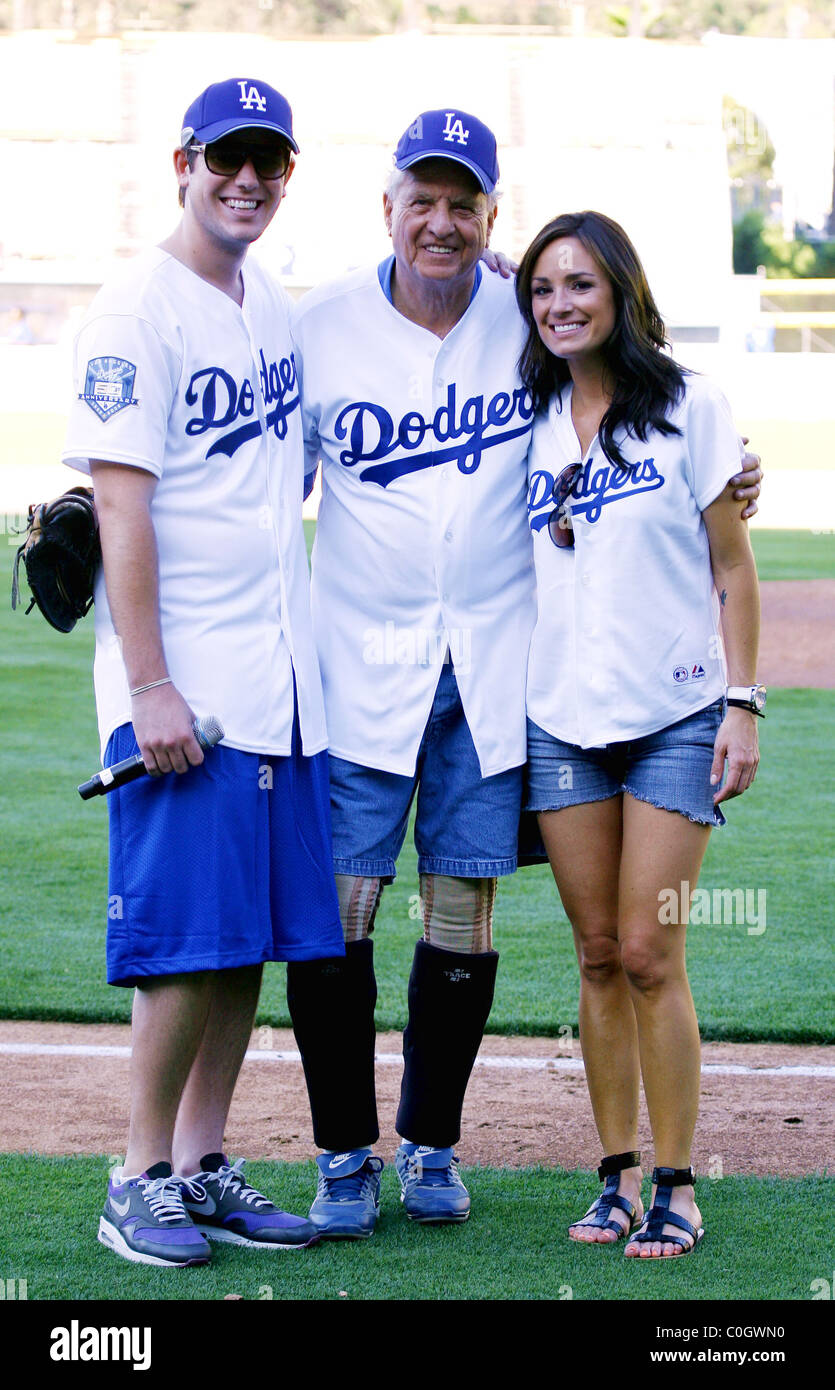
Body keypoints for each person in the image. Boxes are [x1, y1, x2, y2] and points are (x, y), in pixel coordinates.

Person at [286, 111, 762, 1239]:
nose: (441, 222)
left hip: (500, 674)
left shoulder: (529, 320)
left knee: (462, 913)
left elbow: (654, 427)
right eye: (423, 199)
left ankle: (435, 1147)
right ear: (387, 206)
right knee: (339, 916)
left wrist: (729, 471)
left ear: (491, 217)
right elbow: (258, 483)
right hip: (359, 665)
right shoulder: (319, 329)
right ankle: (346, 1154)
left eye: (466, 204)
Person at [61, 77, 344, 1268]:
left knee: (249, 940)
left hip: (281, 684)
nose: (247, 180)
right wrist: (150, 688)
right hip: (186, 690)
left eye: (268, 162)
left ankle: (200, 1162)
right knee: (184, 941)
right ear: (183, 160)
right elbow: (122, 512)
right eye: (227, 157)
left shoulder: (269, 298)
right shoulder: (134, 314)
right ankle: (137, 1175)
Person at [515, 210, 763, 1258]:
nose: (560, 304)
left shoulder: (688, 405)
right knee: (596, 952)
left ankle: (676, 1182)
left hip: (674, 714)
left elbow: (733, 569)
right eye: (541, 289)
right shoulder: (523, 417)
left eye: (580, 284)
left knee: (652, 951)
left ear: (619, 289)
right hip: (561, 720)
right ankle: (613, 1172)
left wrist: (743, 703)